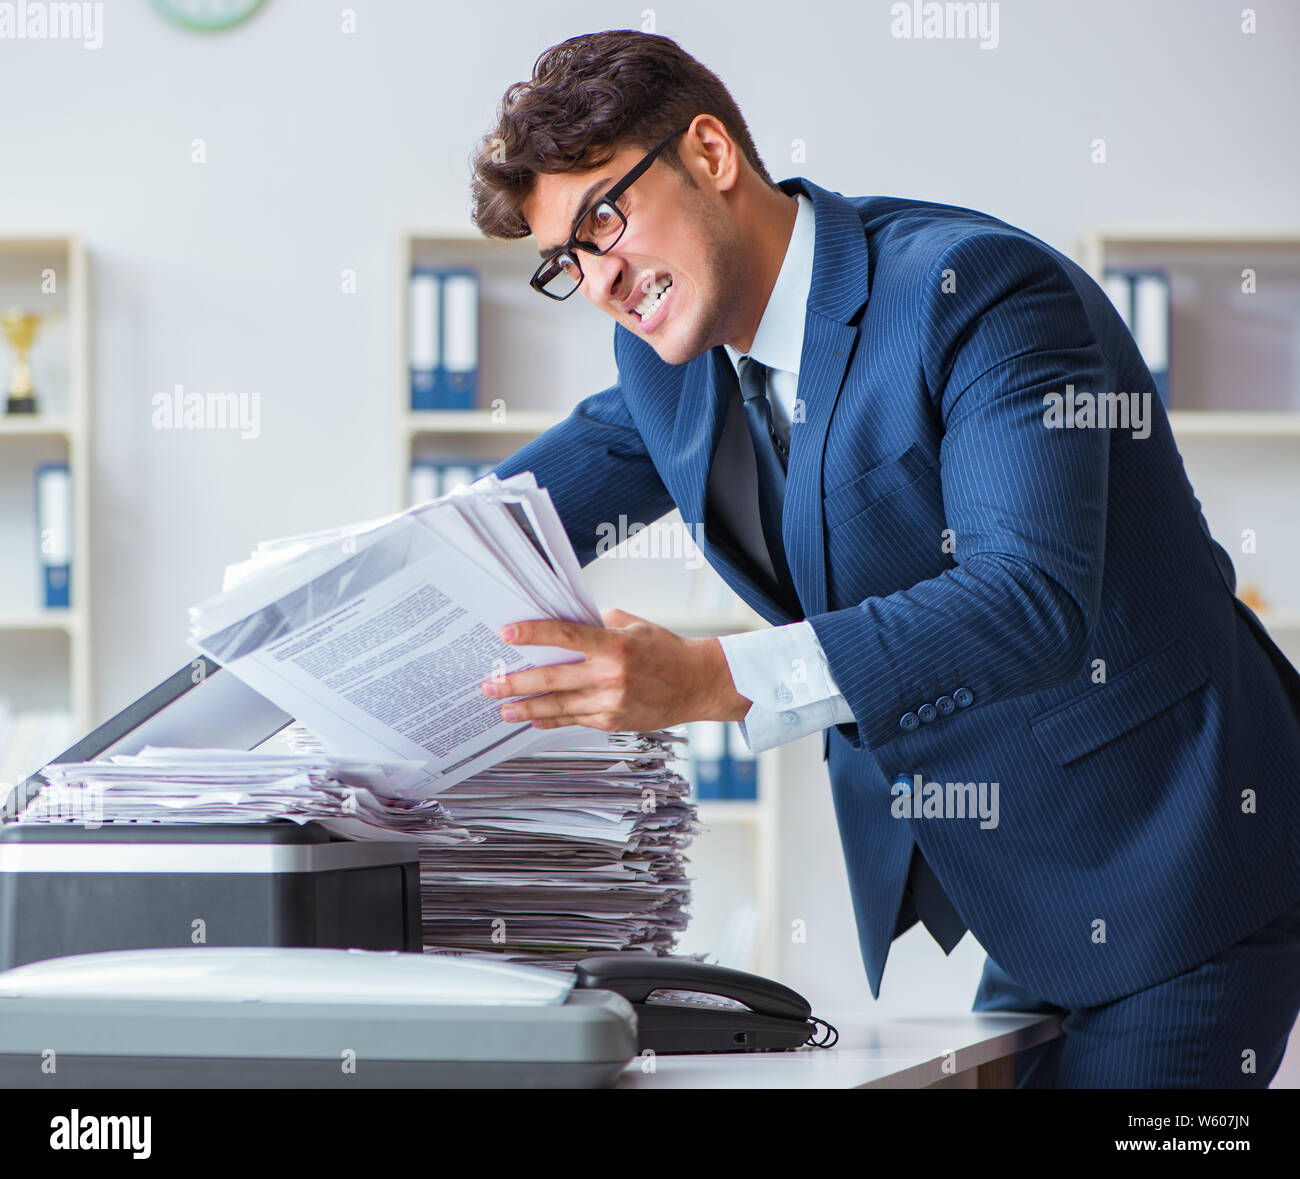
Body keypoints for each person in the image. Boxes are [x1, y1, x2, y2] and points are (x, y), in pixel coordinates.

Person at [466, 29, 1300, 1087]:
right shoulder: (667, 360)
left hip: (1182, 856)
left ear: (711, 153)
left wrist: (712, 678)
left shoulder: (977, 292)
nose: (599, 280)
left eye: (603, 219)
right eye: (566, 260)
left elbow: (1030, 598)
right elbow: (513, 513)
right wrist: (327, 598)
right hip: (1030, 890)